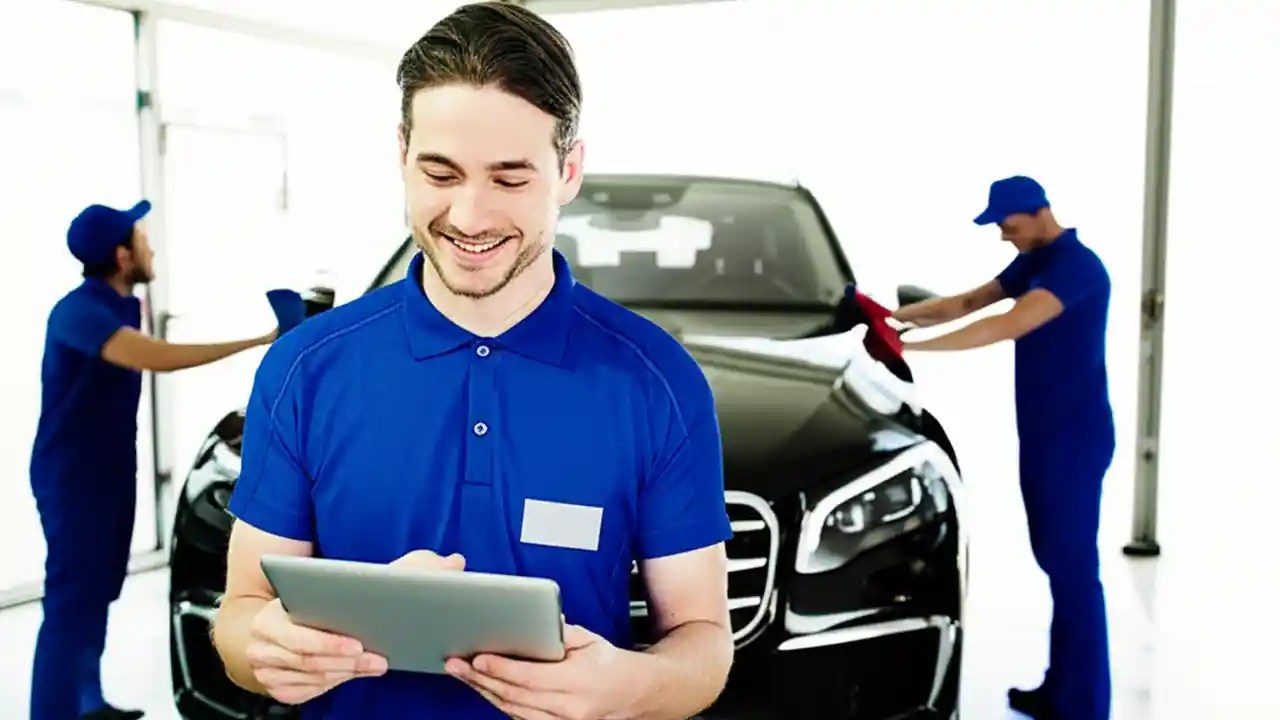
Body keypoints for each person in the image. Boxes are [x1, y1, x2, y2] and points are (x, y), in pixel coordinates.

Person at [210, 3, 735, 719]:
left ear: (569, 169)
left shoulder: (657, 381)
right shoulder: (305, 369)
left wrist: (631, 688)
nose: (470, 215)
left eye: (510, 179)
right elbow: (241, 613)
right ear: (401, 155)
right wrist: (260, 649)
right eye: (441, 173)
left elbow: (703, 641)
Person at [29, 199, 303, 720]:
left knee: (97, 591)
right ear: (121, 255)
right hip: (74, 478)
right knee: (71, 601)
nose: (149, 247)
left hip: (108, 471)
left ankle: (87, 702)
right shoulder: (80, 310)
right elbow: (155, 358)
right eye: (142, 241)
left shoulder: (117, 305)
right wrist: (263, 340)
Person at [892, 175, 1114, 720]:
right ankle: (1060, 688)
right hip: (1043, 434)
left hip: (1073, 438)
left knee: (1073, 570)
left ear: (1039, 213)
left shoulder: (1077, 268)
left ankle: (1085, 704)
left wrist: (914, 348)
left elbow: (1007, 324)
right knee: (1056, 563)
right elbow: (969, 302)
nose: (1002, 236)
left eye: (1007, 225)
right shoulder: (1034, 261)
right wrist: (893, 318)